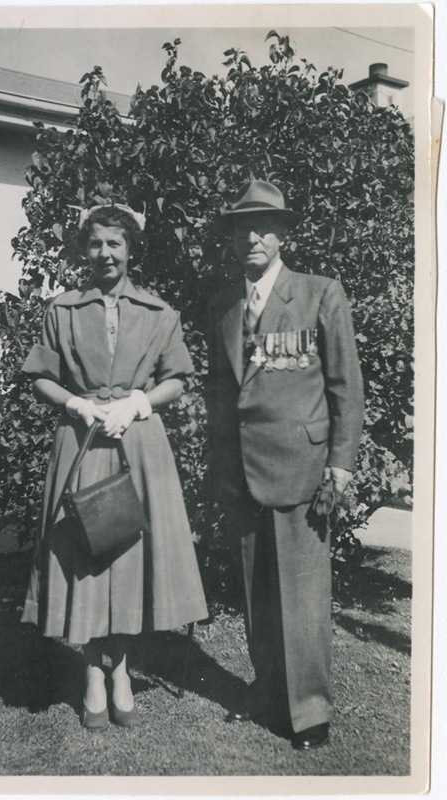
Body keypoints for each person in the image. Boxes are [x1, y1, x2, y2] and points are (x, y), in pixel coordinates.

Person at [21, 203, 207, 730]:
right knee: (84, 554)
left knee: (126, 559)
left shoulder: (158, 311)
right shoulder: (62, 310)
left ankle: (120, 668)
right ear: (85, 249)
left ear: (131, 251)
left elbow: (178, 377)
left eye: (115, 244)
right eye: (97, 243)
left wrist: (138, 405)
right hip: (81, 441)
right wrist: (77, 404)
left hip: (137, 442)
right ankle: (90, 674)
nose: (106, 253)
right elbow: (40, 375)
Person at [206, 180, 364, 750]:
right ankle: (270, 691)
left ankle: (310, 712)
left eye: (263, 226)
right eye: (241, 227)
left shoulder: (319, 293)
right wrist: (220, 463)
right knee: (256, 593)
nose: (251, 237)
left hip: (303, 467)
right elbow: (221, 395)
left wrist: (341, 465)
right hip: (243, 471)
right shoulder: (222, 307)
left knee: (302, 595)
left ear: (283, 234)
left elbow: (347, 385)